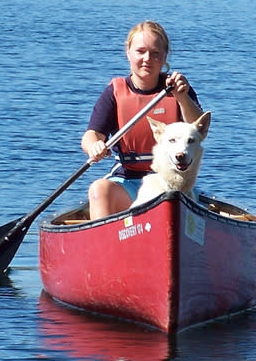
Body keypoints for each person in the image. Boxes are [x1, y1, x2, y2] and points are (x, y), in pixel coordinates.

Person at [81, 21, 204, 220]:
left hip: (172, 183)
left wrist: (182, 98)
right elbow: (91, 135)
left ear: (165, 57)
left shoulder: (180, 89)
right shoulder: (114, 93)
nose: (147, 59)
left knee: (169, 199)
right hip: (128, 183)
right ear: (128, 53)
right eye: (140, 51)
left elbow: (198, 129)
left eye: (155, 53)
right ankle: (105, 247)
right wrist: (94, 146)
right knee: (99, 189)